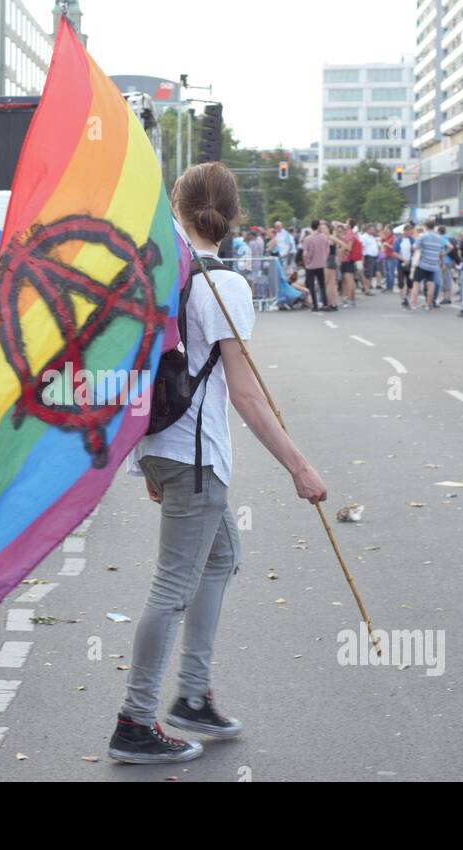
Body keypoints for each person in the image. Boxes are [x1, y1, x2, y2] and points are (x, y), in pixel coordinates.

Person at [108, 161, 328, 765]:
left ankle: (193, 698)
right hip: (196, 456)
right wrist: (299, 467)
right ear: (232, 216)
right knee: (174, 583)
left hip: (165, 448)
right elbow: (248, 396)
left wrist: (147, 460)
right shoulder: (222, 284)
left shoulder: (159, 274)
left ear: (178, 208)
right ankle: (135, 720)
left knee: (222, 556)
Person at [412, 219, 448, 311]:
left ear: (425, 226)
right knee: (431, 284)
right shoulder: (439, 238)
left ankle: (414, 305)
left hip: (422, 264)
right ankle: (428, 304)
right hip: (433, 264)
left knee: (416, 284)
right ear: (434, 227)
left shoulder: (422, 236)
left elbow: (415, 247)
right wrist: (442, 263)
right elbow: (441, 252)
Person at [302, 222, 330, 311]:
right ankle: (325, 304)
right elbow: (327, 250)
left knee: (312, 286)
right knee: (322, 285)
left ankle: (315, 305)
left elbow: (305, 253)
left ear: (311, 227)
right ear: (318, 226)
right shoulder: (324, 237)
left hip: (310, 265)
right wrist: (324, 258)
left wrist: (305, 262)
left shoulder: (307, 239)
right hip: (321, 264)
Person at [360, 224, 380, 292]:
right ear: (367, 229)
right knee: (367, 273)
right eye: (372, 229)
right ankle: (366, 288)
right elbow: (362, 248)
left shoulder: (372, 237)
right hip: (368, 257)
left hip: (374, 257)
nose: (373, 231)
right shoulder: (364, 237)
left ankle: (368, 287)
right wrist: (362, 259)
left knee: (370, 274)